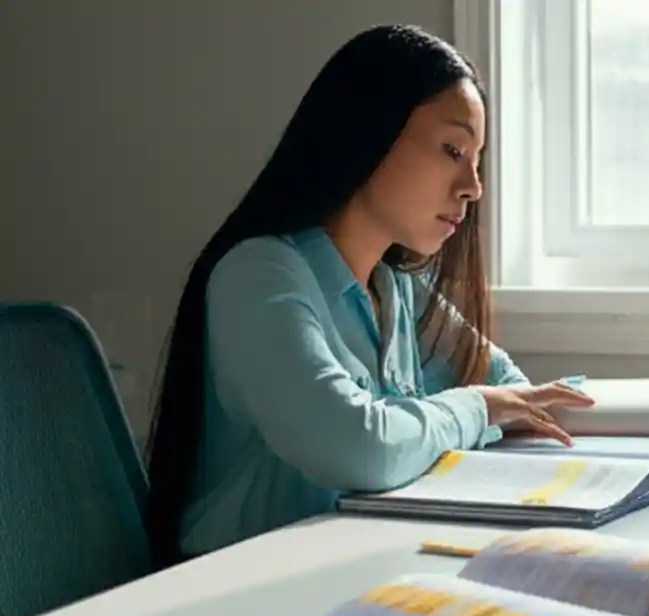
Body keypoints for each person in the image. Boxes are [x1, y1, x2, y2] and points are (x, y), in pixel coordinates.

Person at [142, 24, 593, 568]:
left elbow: (508, 388)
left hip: (354, 573)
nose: (473, 184)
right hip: (229, 596)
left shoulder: (396, 288)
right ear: (368, 132)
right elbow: (359, 446)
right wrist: (472, 410)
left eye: (476, 159)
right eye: (453, 149)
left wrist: (475, 409)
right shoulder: (258, 275)